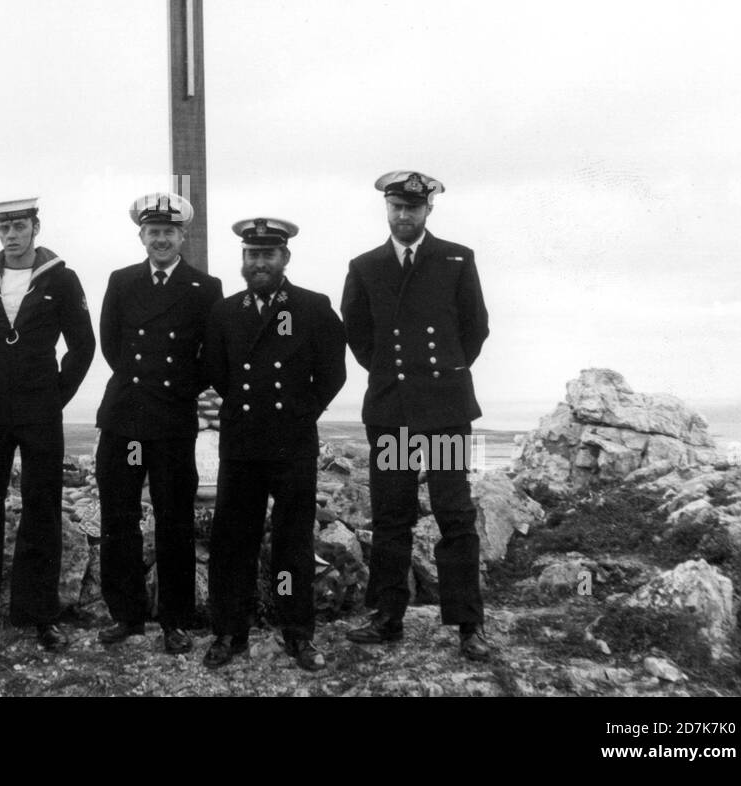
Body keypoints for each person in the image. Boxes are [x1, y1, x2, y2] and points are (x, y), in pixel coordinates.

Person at [341, 171, 492, 660]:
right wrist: (395, 376)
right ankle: (387, 617)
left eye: (412, 208)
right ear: (386, 210)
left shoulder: (455, 259)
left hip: (444, 411)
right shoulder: (365, 267)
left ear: (429, 210)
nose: (403, 216)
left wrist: (441, 375)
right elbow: (360, 338)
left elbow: (475, 330)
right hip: (395, 412)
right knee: (391, 516)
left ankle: (469, 625)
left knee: (454, 514)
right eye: (396, 208)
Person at [0, 197, 95, 653]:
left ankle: (38, 613)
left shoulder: (62, 279)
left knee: (41, 507)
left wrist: (54, 396)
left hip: (40, 412)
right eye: (4, 227)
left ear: (35, 227)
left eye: (20, 226)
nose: (12, 235)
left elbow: (82, 346)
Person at [201, 219, 346, 671]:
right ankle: (229, 632)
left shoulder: (312, 307)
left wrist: (301, 412)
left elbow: (332, 373)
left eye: (267, 254)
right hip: (242, 443)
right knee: (232, 542)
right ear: (243, 260)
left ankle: (297, 634)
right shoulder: (225, 312)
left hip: (292, 443)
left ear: (285, 258)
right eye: (251, 254)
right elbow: (217, 370)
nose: (258, 263)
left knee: (292, 544)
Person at [94, 192, 222, 654]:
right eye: (154, 232)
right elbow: (111, 345)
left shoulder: (205, 288)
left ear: (182, 236)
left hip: (171, 420)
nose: (161, 239)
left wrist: (175, 390)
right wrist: (139, 382)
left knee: (174, 520)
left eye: (170, 232)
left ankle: (175, 621)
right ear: (142, 236)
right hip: (125, 417)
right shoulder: (122, 281)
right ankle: (126, 615)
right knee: (119, 518)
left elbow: (210, 355)